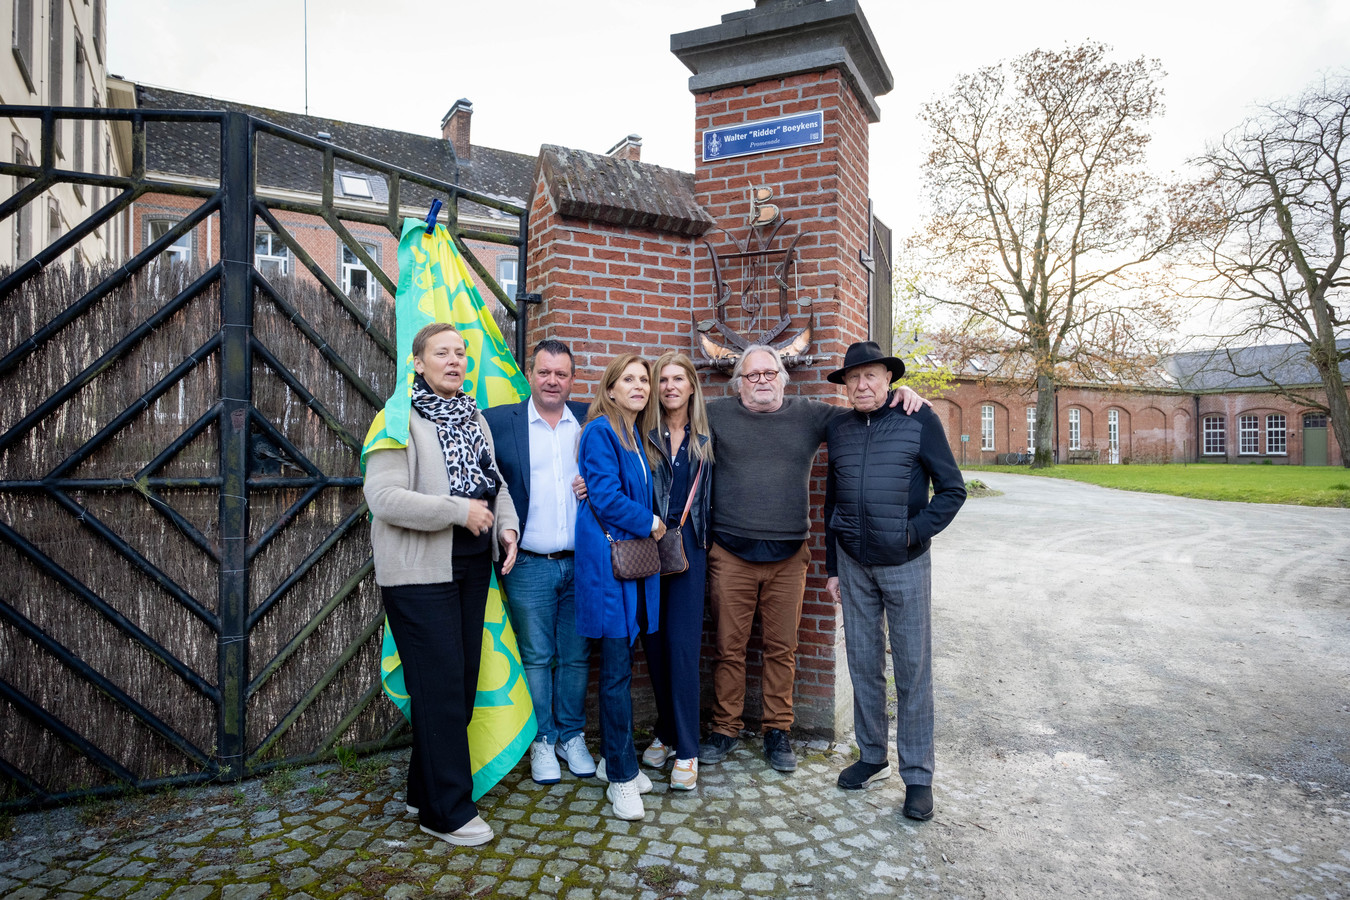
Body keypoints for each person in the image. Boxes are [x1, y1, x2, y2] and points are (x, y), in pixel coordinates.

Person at [698, 344, 926, 773]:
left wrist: (902, 393)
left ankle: (777, 730)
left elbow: (867, 408)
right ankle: (725, 728)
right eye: (752, 375)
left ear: (783, 379)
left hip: (789, 556)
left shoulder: (813, 415)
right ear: (739, 383)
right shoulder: (713, 414)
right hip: (730, 554)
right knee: (729, 648)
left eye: (770, 373)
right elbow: (663, 420)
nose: (762, 381)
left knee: (782, 648)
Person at [363, 323, 520, 847]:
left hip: (471, 569)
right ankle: (446, 812)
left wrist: (506, 527)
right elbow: (384, 498)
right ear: (417, 362)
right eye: (442, 353)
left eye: (460, 353)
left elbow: (494, 483)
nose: (454, 361)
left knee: (460, 685)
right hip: (418, 574)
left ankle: (422, 790)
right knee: (442, 688)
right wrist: (458, 511)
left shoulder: (474, 416)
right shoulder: (395, 418)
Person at [823, 341, 966, 821]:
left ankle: (918, 776)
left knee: (912, 669)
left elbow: (952, 490)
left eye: (872, 375)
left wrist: (912, 533)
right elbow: (832, 502)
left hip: (905, 563)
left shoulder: (918, 418)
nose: (862, 384)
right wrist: (832, 567)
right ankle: (871, 756)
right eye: (853, 377)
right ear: (845, 385)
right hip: (853, 564)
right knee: (863, 663)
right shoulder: (838, 428)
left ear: (889, 380)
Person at [482, 340, 595, 784]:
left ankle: (572, 735)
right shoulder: (498, 421)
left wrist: (595, 484)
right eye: (544, 372)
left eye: (561, 374)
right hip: (528, 563)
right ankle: (542, 739)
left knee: (577, 656)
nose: (552, 381)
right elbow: (488, 484)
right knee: (536, 656)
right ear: (529, 374)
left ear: (573, 379)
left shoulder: (591, 420)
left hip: (583, 563)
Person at [574, 354, 666, 821]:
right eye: (628, 379)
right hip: (609, 569)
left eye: (643, 380)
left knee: (623, 668)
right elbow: (606, 497)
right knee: (614, 674)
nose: (639, 386)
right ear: (610, 389)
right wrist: (651, 522)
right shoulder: (600, 431)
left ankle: (614, 758)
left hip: (630, 568)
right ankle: (622, 779)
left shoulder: (634, 434)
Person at [638, 351, 715, 791]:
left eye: (677, 379)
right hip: (646, 549)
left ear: (691, 387)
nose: (669, 386)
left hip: (689, 551)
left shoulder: (707, 436)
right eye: (662, 379)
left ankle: (687, 748)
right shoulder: (640, 433)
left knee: (682, 647)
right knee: (653, 644)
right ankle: (666, 732)